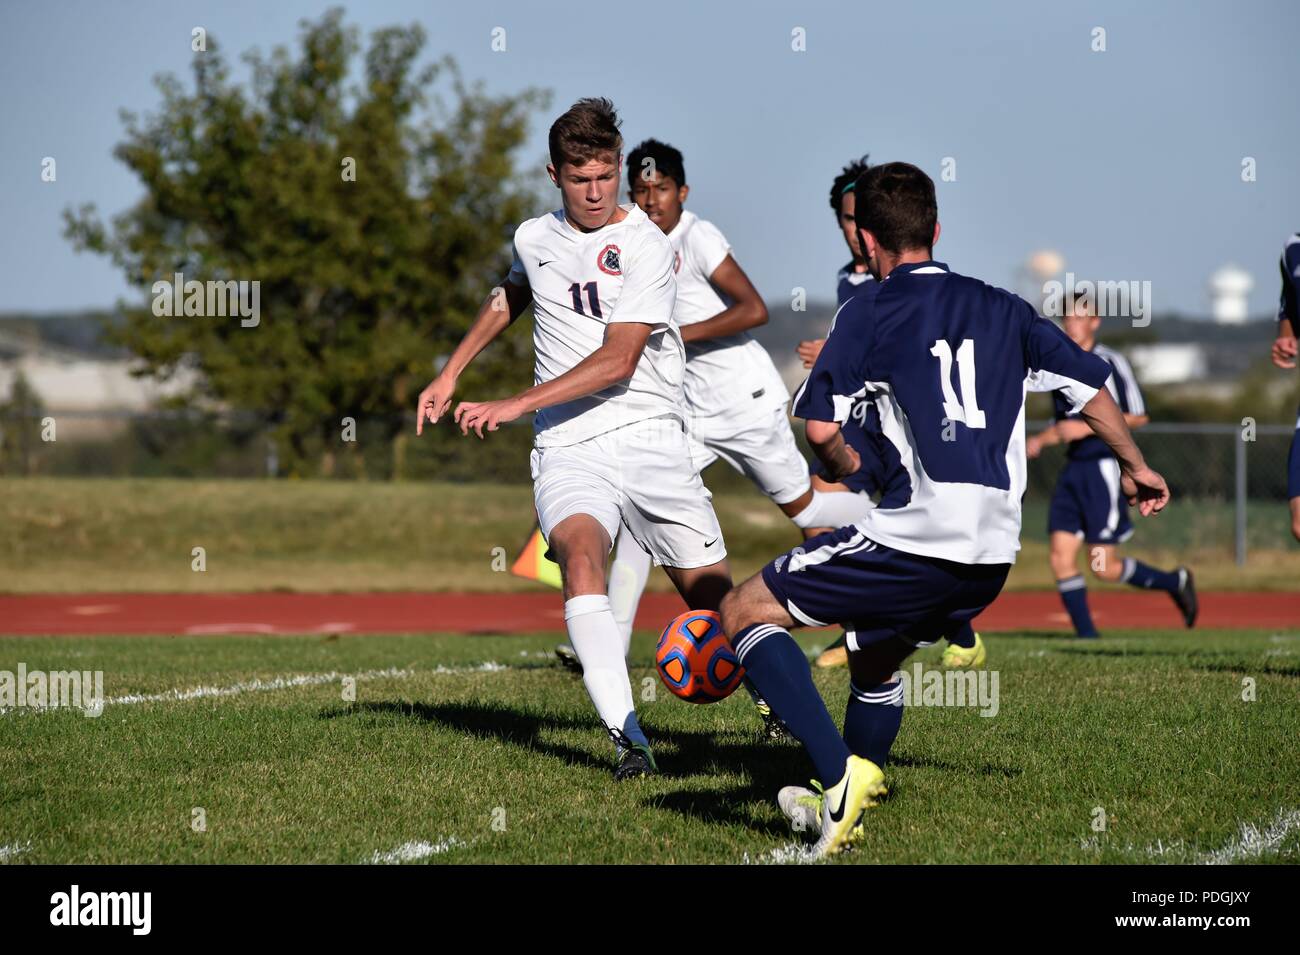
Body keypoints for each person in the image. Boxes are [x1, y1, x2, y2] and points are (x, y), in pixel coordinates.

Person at [718, 162, 1171, 857]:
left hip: (921, 534)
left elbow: (817, 430)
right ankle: (852, 791)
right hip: (991, 556)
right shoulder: (1005, 307)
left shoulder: (868, 308)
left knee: (744, 609)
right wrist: (1137, 466)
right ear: (936, 228)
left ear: (866, 242)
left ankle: (838, 780)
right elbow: (1091, 390)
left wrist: (854, 468)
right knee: (873, 663)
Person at [416, 98, 733, 780]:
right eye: (580, 177)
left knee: (715, 599)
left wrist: (511, 403)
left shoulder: (648, 245)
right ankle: (628, 739)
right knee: (580, 560)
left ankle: (775, 705)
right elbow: (513, 292)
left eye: (607, 174)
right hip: (568, 445)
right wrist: (450, 373)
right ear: (554, 174)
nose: (597, 191)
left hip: (649, 435)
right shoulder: (534, 236)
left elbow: (619, 361)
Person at [1027, 297, 1197, 636]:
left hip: (1104, 466)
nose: (1072, 324)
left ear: (1095, 321)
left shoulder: (1110, 361)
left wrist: (1085, 428)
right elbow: (1064, 424)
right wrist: (1042, 439)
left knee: (1101, 565)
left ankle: (1174, 581)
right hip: (1073, 467)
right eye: (1067, 318)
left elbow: (1138, 415)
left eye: (1080, 317)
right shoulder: (1060, 359)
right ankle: (1087, 639)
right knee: (1060, 557)